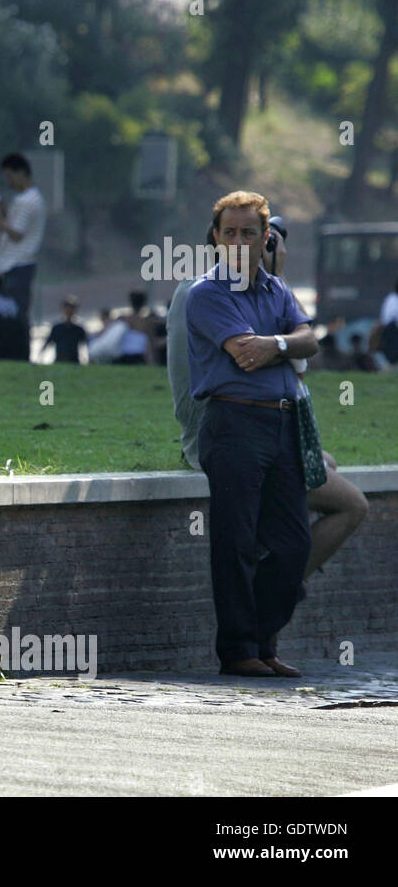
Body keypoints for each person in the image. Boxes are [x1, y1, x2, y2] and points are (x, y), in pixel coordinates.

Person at [168, 216, 368, 610]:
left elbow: (299, 351)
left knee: (325, 463)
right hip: (230, 434)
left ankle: (276, 584)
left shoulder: (202, 289)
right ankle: (276, 589)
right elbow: (293, 363)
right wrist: (276, 284)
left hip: (245, 430)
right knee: (351, 505)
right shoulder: (218, 295)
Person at [187, 190, 319, 678]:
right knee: (236, 542)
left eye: (249, 232)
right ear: (216, 239)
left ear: (266, 237)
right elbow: (245, 352)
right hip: (234, 423)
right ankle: (239, 650)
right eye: (229, 233)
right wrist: (283, 344)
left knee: (293, 544)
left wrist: (278, 343)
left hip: (283, 424)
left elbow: (311, 340)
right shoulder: (208, 293)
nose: (239, 241)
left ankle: (264, 640)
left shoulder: (277, 289)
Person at [0, 152, 46, 349]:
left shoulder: (26, 201)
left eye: (10, 175)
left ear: (21, 172)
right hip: (21, 263)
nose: (8, 181)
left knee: (15, 311)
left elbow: (16, 234)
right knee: (17, 310)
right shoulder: (33, 198)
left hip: (17, 264)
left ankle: (18, 349)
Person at [41, 295, 88, 364]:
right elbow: (48, 343)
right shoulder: (57, 328)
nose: (69, 311)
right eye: (67, 308)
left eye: (71, 309)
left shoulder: (79, 329)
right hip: (59, 360)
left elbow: (86, 345)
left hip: (74, 361)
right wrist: (40, 357)